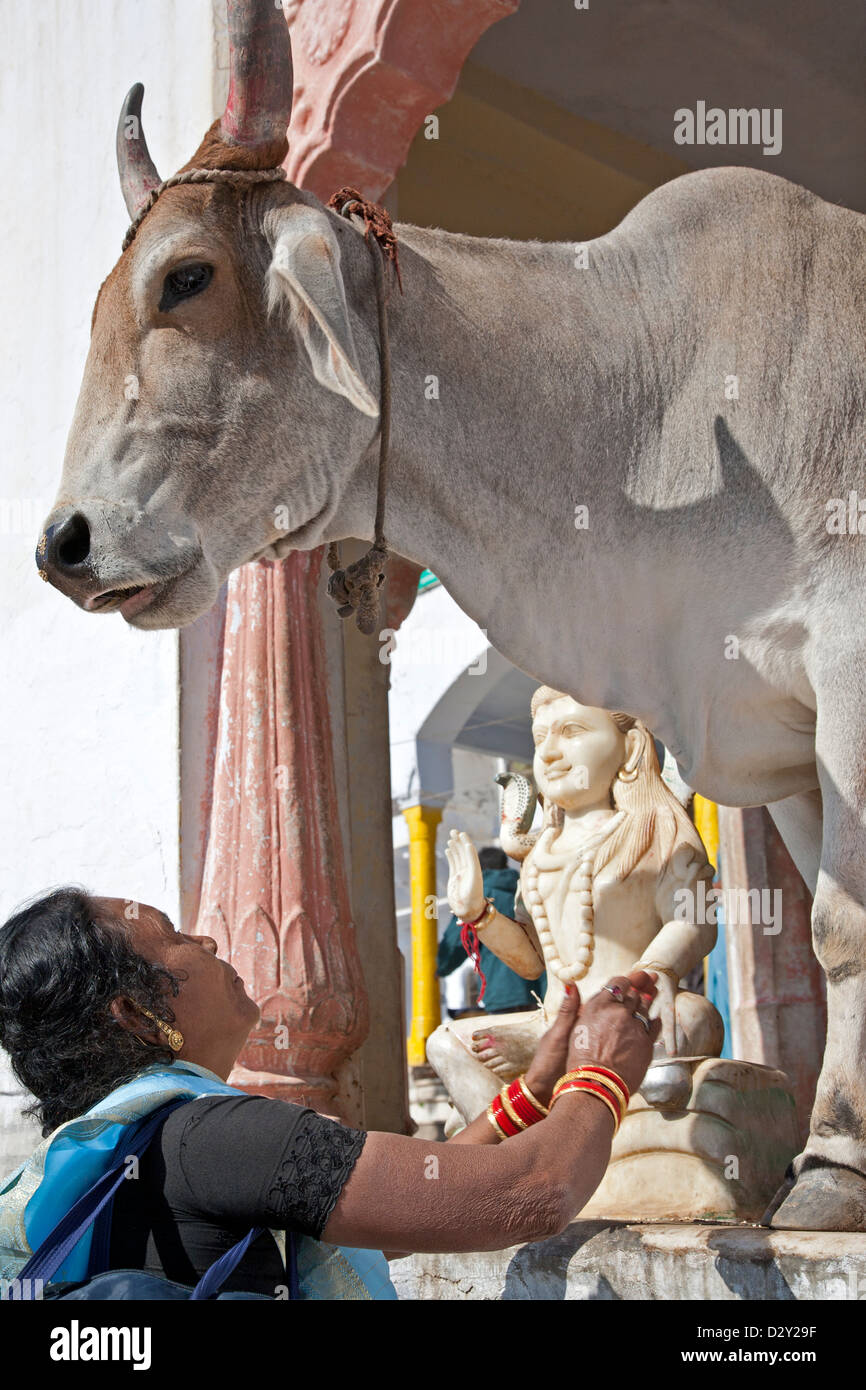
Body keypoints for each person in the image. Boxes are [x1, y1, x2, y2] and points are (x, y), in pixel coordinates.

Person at [0, 888, 659, 1300]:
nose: (204, 939)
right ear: (137, 1014)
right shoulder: (215, 1138)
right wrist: (602, 1074)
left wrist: (532, 1095)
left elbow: (379, 1214)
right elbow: (528, 1194)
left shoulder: (102, 1152)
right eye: (173, 936)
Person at [437, 846, 545, 1014]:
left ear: (477, 869)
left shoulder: (476, 899)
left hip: (502, 994)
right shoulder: (526, 893)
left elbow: (456, 943)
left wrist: (440, 967)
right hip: (541, 993)